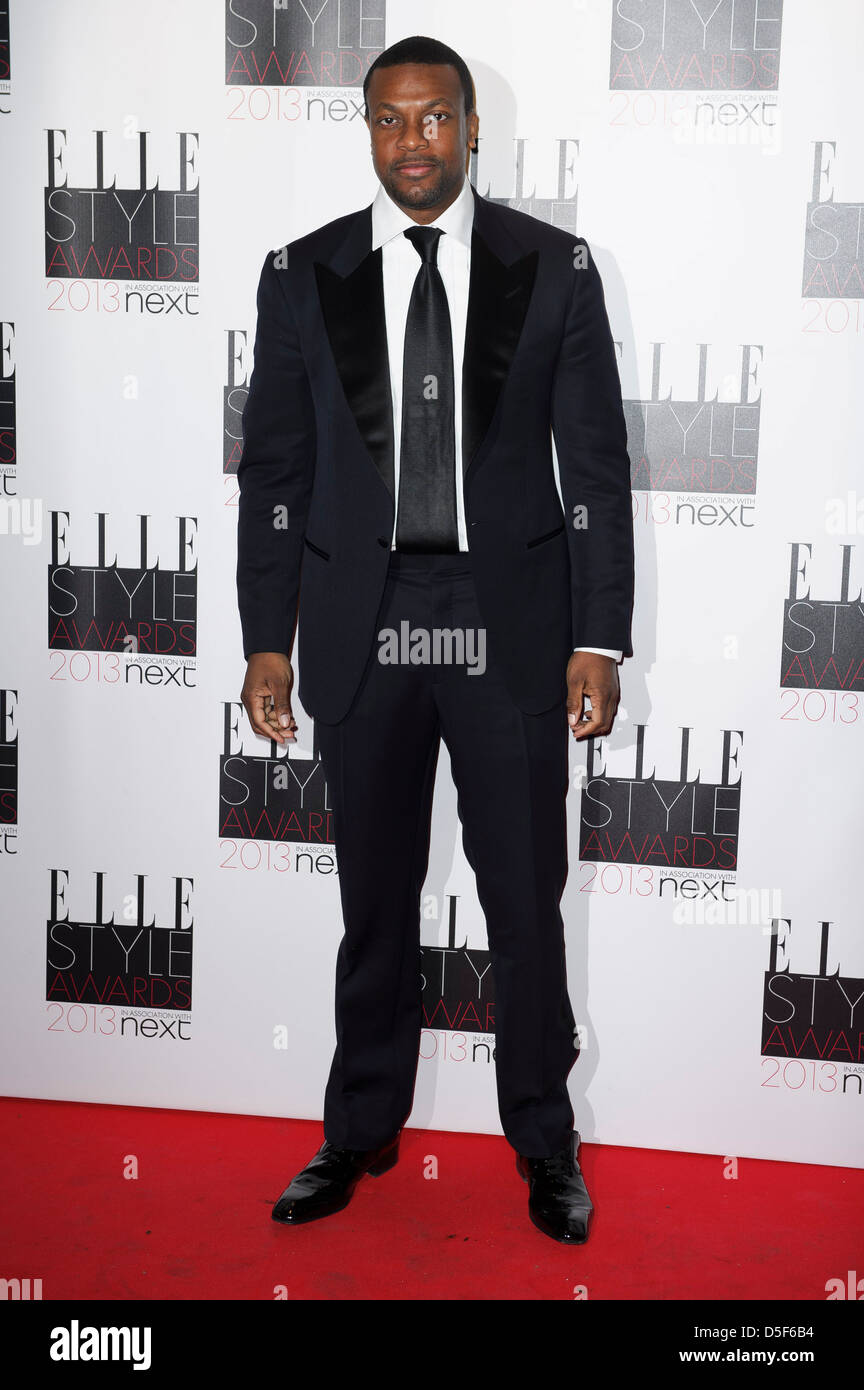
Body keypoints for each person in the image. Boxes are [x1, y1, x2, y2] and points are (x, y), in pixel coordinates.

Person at [236, 35, 635, 1244]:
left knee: (523, 902)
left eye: (435, 119)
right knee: (374, 904)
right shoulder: (303, 275)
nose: (414, 143)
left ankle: (545, 1148)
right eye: (391, 121)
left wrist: (601, 638)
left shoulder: (552, 268)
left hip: (504, 623)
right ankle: (357, 1131)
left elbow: (598, 470)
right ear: (368, 130)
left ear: (472, 127)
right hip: (364, 622)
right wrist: (267, 640)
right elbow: (276, 471)